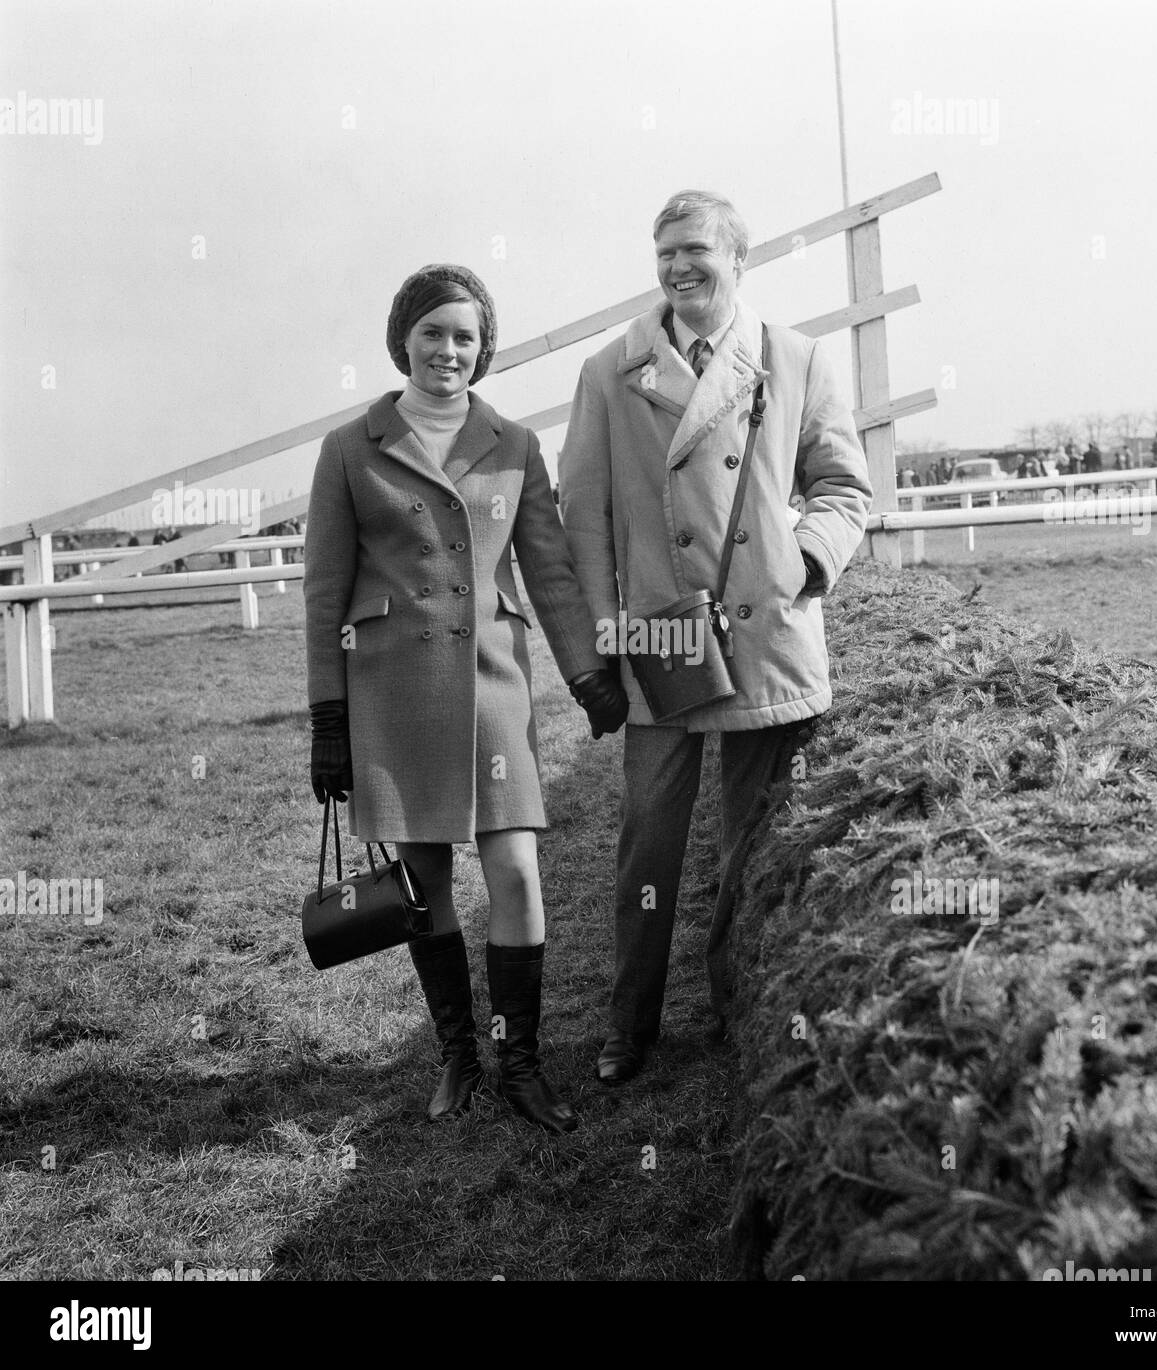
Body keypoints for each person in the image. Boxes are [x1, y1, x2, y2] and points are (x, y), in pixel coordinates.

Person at [304, 263, 627, 1134]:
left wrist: (590, 672)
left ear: (484, 350)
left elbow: (551, 571)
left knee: (516, 870)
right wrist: (327, 721)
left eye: (466, 336)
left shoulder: (513, 444)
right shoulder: (348, 448)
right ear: (403, 338)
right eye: (433, 333)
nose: (449, 350)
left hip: (492, 688)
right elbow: (323, 594)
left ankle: (519, 1063)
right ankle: (459, 1059)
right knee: (425, 880)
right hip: (391, 693)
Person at [558, 190, 872, 1084]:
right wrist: (602, 646)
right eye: (663, 252)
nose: (676, 266)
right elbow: (583, 520)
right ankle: (631, 1024)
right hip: (662, 643)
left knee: (755, 842)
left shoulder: (798, 357)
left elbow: (846, 486)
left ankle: (739, 1012)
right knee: (648, 844)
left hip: (766, 636)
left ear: (740, 256)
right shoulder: (609, 373)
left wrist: (806, 564)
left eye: (695, 249)